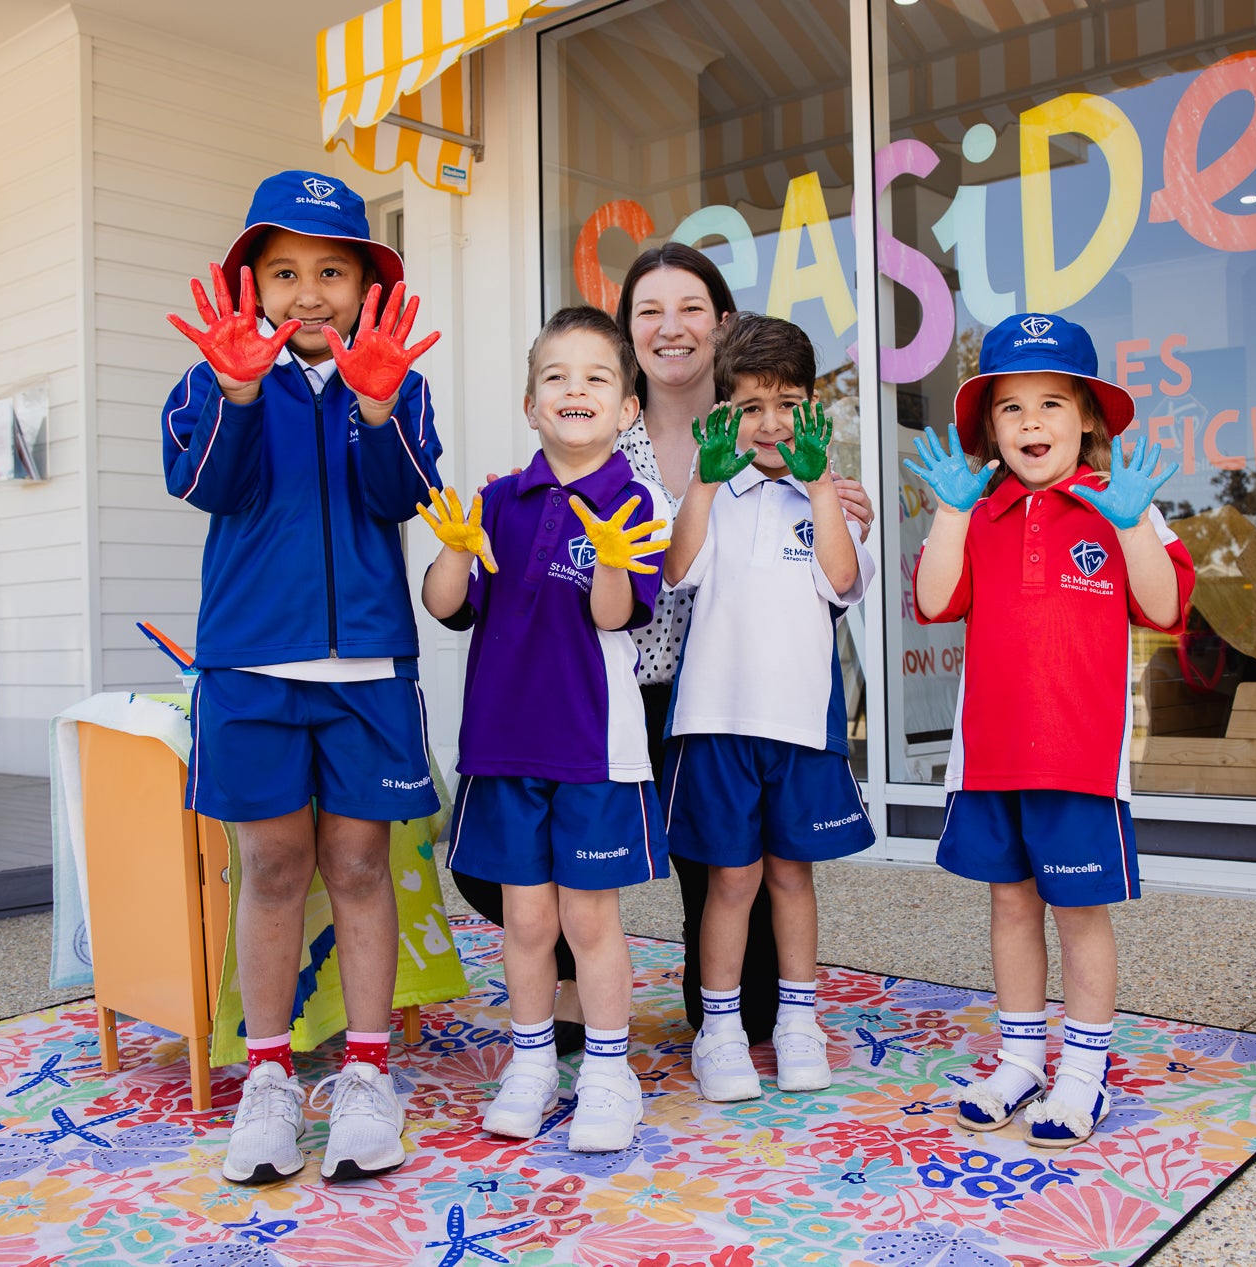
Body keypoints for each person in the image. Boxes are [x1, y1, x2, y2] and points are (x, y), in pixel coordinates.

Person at [449, 243, 877, 1043]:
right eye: (648, 311)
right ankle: (573, 966)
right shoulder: (600, 437)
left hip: (715, 708)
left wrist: (832, 509)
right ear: (628, 336)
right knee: (491, 861)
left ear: (722, 324)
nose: (670, 328)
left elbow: (820, 587)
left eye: (690, 310)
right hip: (606, 696)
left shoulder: (770, 434)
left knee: (742, 989)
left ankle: (716, 990)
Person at [161, 170, 442, 1183]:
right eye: (285, 270)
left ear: (368, 285)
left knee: (360, 867)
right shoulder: (212, 373)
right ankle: (269, 1080)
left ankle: (367, 1076)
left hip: (366, 666)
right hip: (248, 667)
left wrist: (377, 406)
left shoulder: (397, 378)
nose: (309, 290)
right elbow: (204, 486)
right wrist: (236, 396)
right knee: (272, 869)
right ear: (251, 283)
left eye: (333, 268)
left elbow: (403, 495)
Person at [904, 312, 1194, 1149]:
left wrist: (1134, 521)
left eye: (1053, 403)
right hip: (991, 759)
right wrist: (951, 516)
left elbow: (1167, 607)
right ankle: (1025, 1055)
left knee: (1079, 913)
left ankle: (1085, 1071)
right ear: (989, 427)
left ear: (1089, 419)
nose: (1032, 422)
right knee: (1009, 905)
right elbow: (931, 601)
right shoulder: (977, 507)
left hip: (1080, 761)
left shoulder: (1125, 503)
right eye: (1011, 407)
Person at [418, 305, 671, 1154]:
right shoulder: (496, 498)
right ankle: (530, 1062)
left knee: (590, 922)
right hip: (501, 746)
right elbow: (446, 604)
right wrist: (456, 545)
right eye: (556, 377)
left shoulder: (635, 506)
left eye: (598, 377)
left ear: (627, 409)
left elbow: (615, 615)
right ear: (531, 403)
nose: (576, 390)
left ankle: (607, 1069)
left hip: (592, 749)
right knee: (524, 922)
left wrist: (607, 553)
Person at [662, 313, 877, 1100]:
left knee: (792, 878)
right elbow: (676, 573)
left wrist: (822, 488)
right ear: (723, 411)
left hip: (800, 725)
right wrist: (704, 482)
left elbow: (843, 582)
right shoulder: (711, 492)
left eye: (788, 402)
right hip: (715, 723)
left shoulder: (835, 498)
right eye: (751, 404)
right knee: (731, 881)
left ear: (815, 407)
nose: (770, 422)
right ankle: (719, 1030)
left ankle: (796, 1021)